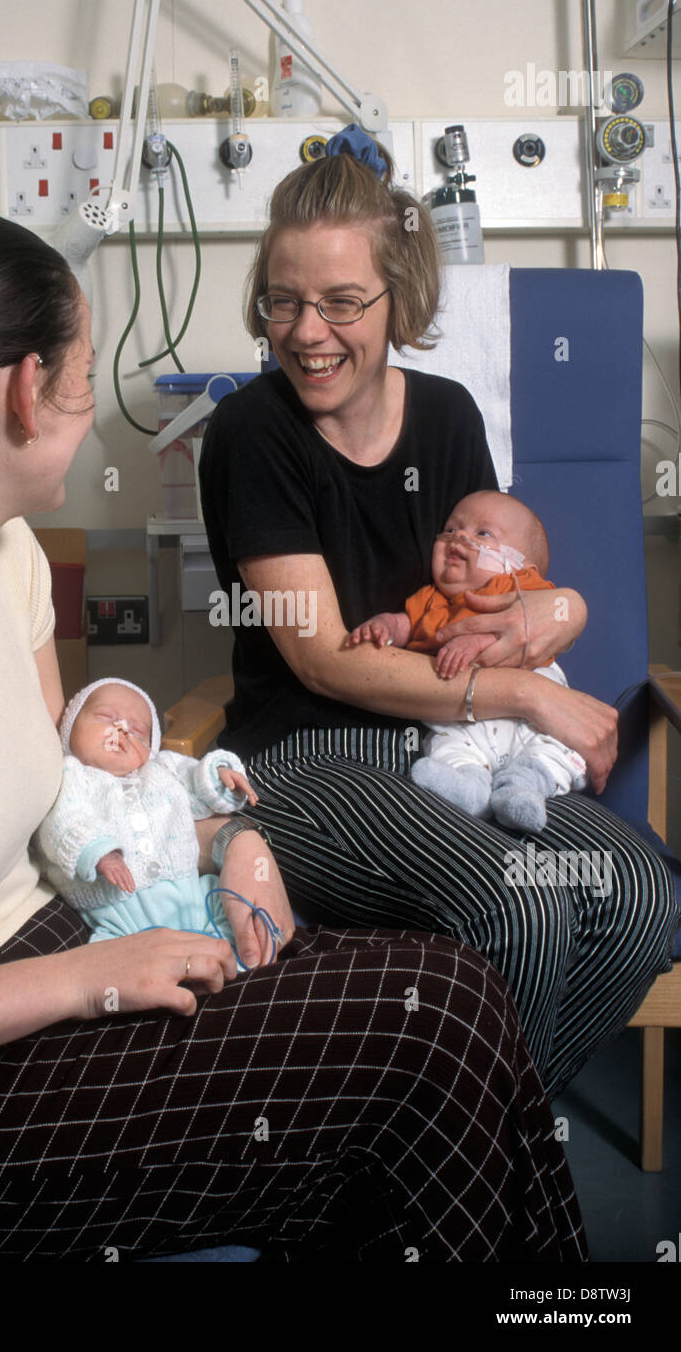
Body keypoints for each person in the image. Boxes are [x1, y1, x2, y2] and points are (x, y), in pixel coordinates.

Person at [0, 209, 588, 1263]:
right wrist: (75, 984)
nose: (95, 399)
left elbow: (79, 795)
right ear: (24, 390)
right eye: (87, 370)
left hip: (80, 932)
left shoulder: (1, 558)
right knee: (432, 1032)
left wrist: (223, 840)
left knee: (446, 991)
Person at [199, 126, 680, 1098]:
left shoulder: (450, 416)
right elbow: (324, 661)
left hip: (441, 745)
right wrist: (528, 695)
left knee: (633, 895)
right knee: (521, 906)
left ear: (401, 300)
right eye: (283, 301)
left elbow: (497, 589)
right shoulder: (252, 434)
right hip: (303, 758)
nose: (306, 331)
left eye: (340, 302)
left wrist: (564, 606)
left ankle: (470, 1151)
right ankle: (473, 1185)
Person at [346, 491, 588, 832]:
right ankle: (468, 787)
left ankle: (526, 785)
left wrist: (480, 640)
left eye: (483, 534)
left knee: (558, 747)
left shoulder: (520, 587)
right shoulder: (430, 599)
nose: (459, 537)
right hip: (462, 716)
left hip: (529, 716)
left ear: (518, 563)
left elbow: (532, 627)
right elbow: (407, 623)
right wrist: (384, 625)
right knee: (444, 743)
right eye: (450, 529)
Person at [37, 677, 283, 964]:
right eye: (107, 717)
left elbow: (196, 785)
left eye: (138, 732)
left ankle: (245, 963)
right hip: (119, 913)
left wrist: (219, 777)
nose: (122, 729)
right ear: (69, 730)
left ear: (150, 749)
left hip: (190, 895)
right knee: (108, 963)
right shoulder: (72, 776)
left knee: (232, 910)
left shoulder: (160, 769)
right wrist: (99, 852)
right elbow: (62, 822)